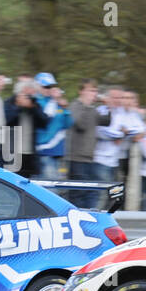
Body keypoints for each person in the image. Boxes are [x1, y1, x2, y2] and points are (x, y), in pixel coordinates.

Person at [65, 79, 102, 208]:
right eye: (91, 90)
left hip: (90, 157)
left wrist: (109, 106)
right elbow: (80, 125)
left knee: (92, 191)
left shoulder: (92, 109)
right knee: (77, 193)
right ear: (81, 91)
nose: (94, 94)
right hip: (76, 157)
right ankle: (77, 216)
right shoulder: (75, 106)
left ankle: (89, 216)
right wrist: (86, 106)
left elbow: (106, 121)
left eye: (95, 91)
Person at [4, 75, 49, 175]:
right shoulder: (9, 103)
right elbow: (5, 121)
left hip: (29, 154)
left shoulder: (34, 104)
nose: (29, 95)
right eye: (26, 92)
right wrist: (18, 107)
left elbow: (44, 123)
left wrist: (33, 107)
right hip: (13, 153)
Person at [34, 72, 70, 179]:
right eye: (46, 87)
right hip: (44, 151)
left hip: (57, 151)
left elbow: (68, 124)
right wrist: (54, 101)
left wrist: (65, 109)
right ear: (37, 86)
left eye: (51, 86)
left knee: (57, 184)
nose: (49, 89)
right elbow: (46, 118)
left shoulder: (55, 102)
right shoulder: (37, 102)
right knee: (49, 185)